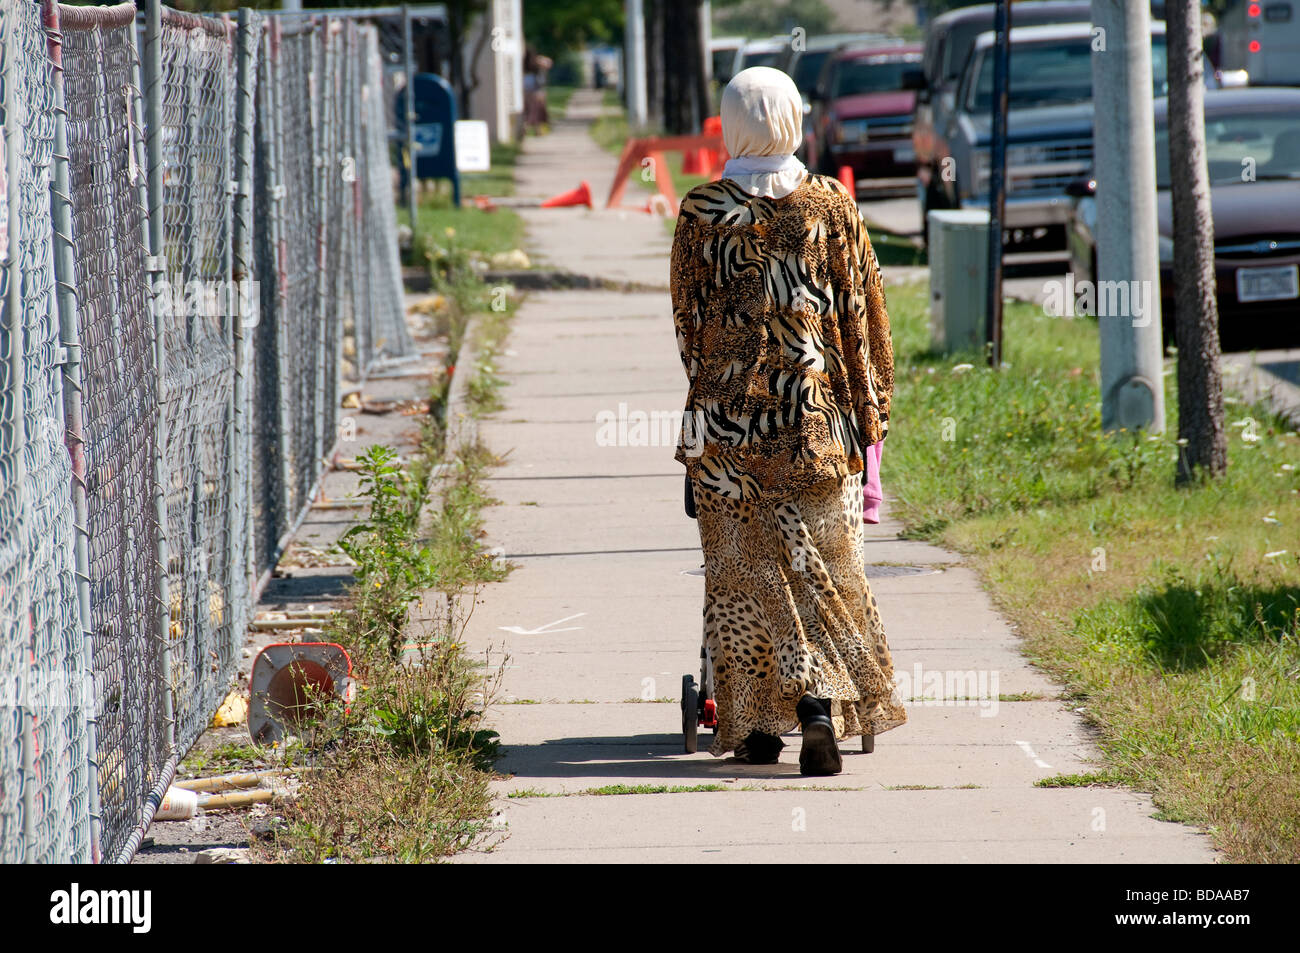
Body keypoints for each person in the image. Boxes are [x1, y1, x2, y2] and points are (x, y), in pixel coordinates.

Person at [670, 67, 907, 776]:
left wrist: (713, 395)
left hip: (725, 434)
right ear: (794, 118)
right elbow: (864, 316)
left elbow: (689, 323)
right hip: (816, 426)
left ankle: (756, 727)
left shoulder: (701, 211)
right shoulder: (831, 205)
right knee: (825, 574)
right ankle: (818, 708)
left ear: (730, 122)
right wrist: (872, 415)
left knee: (742, 582)